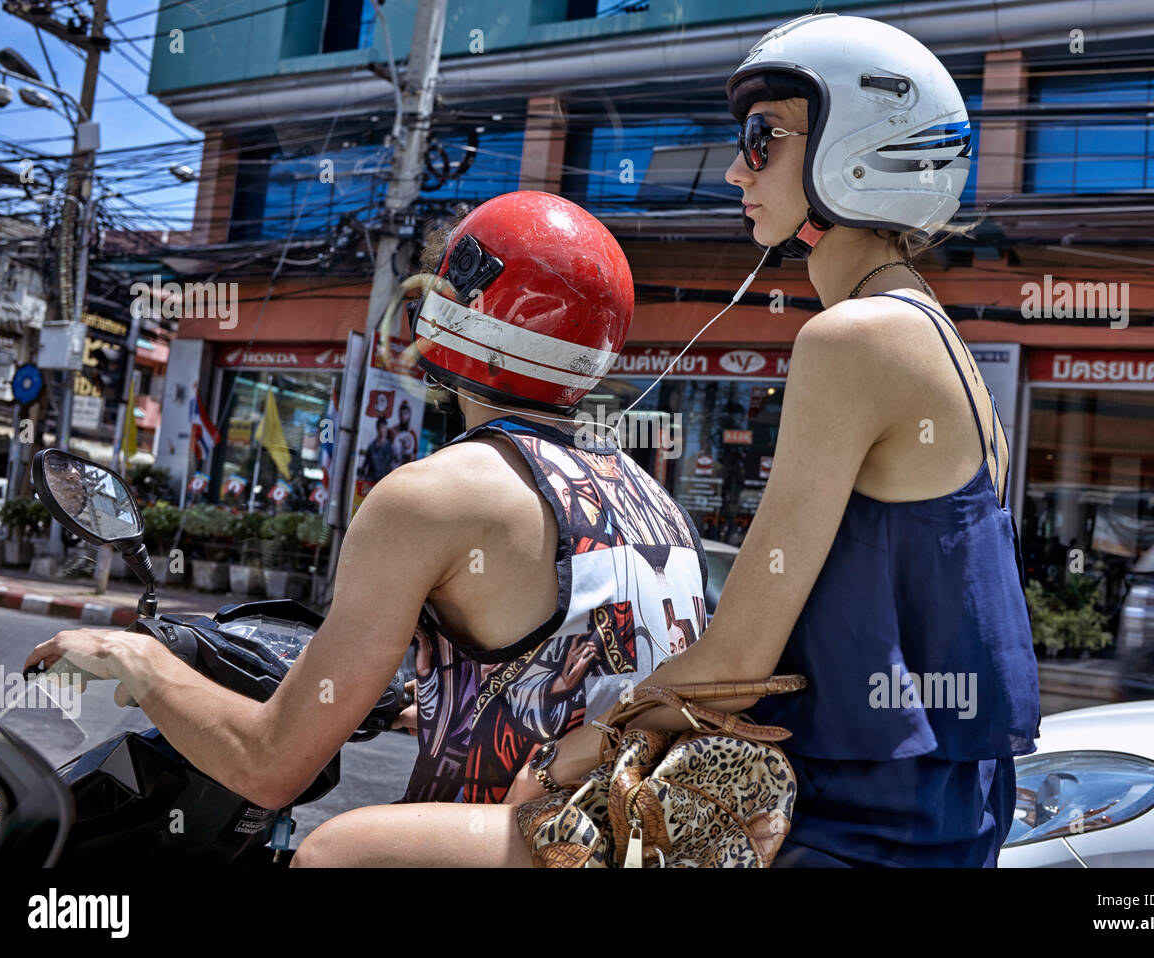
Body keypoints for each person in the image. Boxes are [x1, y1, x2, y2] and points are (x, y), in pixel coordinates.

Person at [286, 12, 1039, 869]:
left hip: (848, 826)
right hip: (931, 816)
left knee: (344, 849)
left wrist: (576, 746)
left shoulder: (853, 339)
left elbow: (738, 664)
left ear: (855, 146)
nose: (733, 168)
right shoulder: (944, 347)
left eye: (763, 140)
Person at [24, 191, 711, 865]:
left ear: (460, 315)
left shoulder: (432, 495)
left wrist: (136, 660)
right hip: (641, 843)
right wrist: (432, 706)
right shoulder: (657, 502)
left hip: (528, 848)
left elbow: (270, 765)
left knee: (329, 852)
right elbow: (576, 673)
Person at [359, 416, 395, 482]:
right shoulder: (372, 446)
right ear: (377, 428)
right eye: (380, 427)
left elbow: (391, 465)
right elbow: (365, 464)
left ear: (386, 428)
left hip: (384, 481)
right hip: (371, 480)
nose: (382, 430)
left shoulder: (390, 448)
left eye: (383, 427)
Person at [390, 399, 418, 465]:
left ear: (409, 415)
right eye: (401, 413)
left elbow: (414, 454)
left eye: (405, 413)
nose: (403, 416)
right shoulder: (393, 430)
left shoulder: (412, 433)